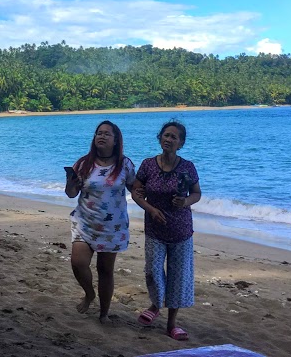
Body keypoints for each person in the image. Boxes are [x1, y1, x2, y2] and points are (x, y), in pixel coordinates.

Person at [131, 120, 201, 341]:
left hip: (181, 230)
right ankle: (155, 304)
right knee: (152, 270)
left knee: (178, 277)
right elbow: (136, 193)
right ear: (159, 138)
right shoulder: (148, 165)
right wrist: (150, 209)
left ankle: (171, 324)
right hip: (155, 229)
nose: (169, 139)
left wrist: (186, 201)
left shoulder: (187, 167)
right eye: (166, 135)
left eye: (174, 137)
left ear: (181, 143)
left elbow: (197, 193)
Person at [64, 120, 136, 323]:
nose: (101, 136)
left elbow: (136, 189)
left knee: (105, 270)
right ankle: (89, 293)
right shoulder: (83, 164)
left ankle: (104, 313)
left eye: (106, 134)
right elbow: (71, 194)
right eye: (98, 133)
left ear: (116, 140)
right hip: (84, 222)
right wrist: (71, 184)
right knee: (78, 263)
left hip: (112, 226)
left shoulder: (125, 165)